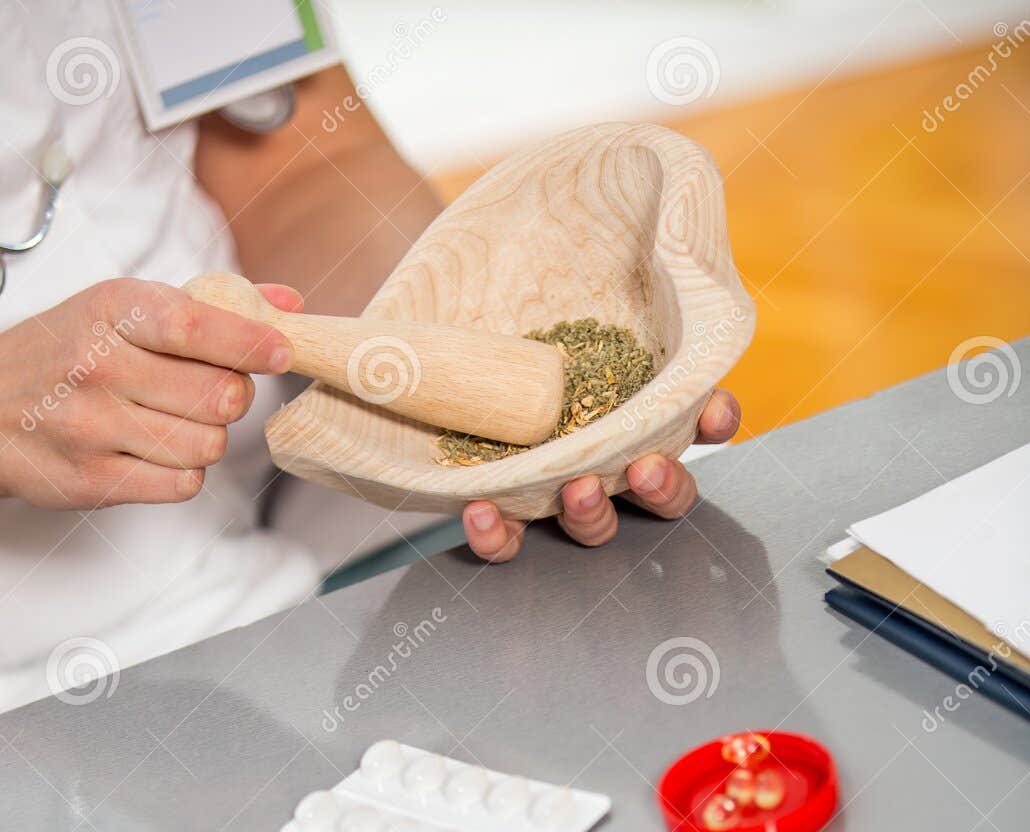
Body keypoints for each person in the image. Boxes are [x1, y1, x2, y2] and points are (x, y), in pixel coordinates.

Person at [0, 9, 740, 713]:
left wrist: (450, 347)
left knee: (618, 646)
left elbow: (298, 166)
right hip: (30, 678)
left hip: (252, 537)